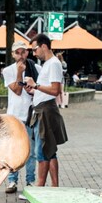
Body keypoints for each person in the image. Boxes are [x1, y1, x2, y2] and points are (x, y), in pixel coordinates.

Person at [29, 34, 68, 188]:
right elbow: (48, 89)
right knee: (49, 150)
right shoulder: (48, 64)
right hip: (43, 109)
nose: (34, 53)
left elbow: (55, 90)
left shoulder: (53, 64)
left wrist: (36, 86)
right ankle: (54, 187)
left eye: (34, 49)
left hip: (46, 110)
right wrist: (34, 89)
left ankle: (40, 187)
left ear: (43, 46)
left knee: (42, 151)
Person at [3, 41, 38, 197]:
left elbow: (40, 89)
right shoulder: (8, 70)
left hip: (31, 115)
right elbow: (17, 91)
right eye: (17, 52)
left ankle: (30, 181)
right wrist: (19, 73)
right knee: (13, 149)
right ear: (12, 54)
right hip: (14, 116)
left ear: (27, 53)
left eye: (23, 52)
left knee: (31, 150)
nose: (21, 55)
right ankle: (12, 180)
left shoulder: (37, 68)